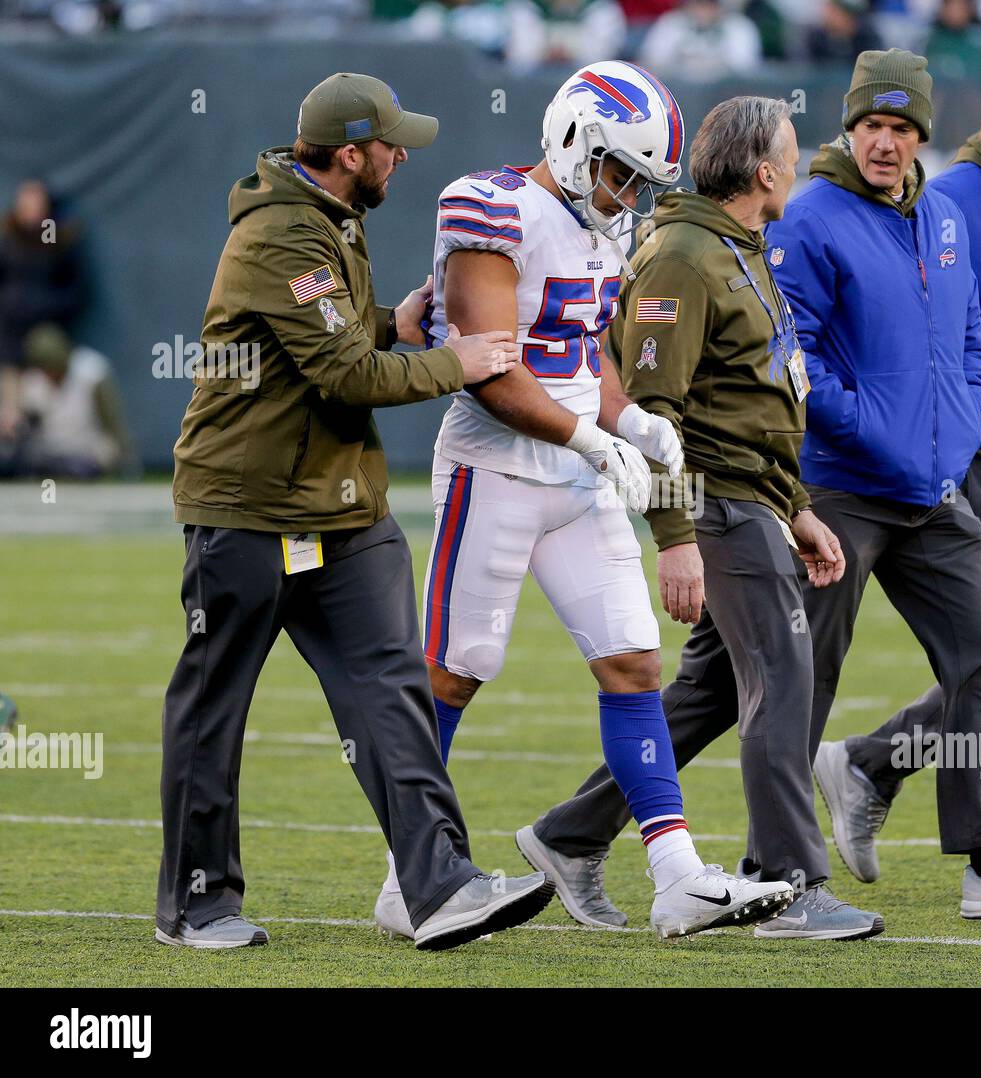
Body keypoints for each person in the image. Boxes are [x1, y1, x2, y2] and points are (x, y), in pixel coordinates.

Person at [372, 63, 794, 943]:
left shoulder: (602, 228)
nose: (629, 194)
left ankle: (677, 876)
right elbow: (489, 362)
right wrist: (591, 438)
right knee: (455, 670)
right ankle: (411, 876)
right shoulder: (490, 207)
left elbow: (578, 352)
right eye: (622, 172)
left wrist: (630, 418)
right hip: (496, 469)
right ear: (572, 140)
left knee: (634, 660)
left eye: (643, 181)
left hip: (573, 477)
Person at [157, 72, 549, 952]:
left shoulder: (330, 218)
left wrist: (388, 324)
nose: (403, 154)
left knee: (393, 694)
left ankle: (441, 886)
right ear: (346, 155)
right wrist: (463, 359)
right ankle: (197, 904)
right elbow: (341, 377)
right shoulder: (281, 233)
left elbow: (332, 339)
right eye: (390, 143)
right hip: (247, 508)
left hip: (341, 507)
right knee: (213, 708)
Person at [524, 95, 886, 942]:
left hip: (754, 499)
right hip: (716, 505)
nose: (800, 163)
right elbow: (655, 416)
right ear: (764, 171)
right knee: (784, 680)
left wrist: (796, 508)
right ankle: (787, 882)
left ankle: (568, 836)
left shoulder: (739, 246)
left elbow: (756, 397)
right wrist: (679, 541)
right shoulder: (684, 256)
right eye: (792, 152)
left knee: (713, 692)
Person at [767, 48, 981, 919]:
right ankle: (773, 868)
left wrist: (953, 427)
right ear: (850, 126)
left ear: (923, 133)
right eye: (873, 126)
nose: (887, 144)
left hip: (938, 484)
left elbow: (967, 336)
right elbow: (789, 355)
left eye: (903, 128)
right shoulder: (819, 215)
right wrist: (880, 426)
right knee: (795, 675)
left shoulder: (935, 214)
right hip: (843, 487)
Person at [0, 178, 86, 444]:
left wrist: (41, 305)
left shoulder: (60, 245)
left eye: (36, 201)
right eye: (25, 200)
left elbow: (78, 293)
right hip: (10, 344)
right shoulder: (6, 243)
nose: (30, 207)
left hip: (47, 343)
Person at [3, 323, 134, 478]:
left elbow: (112, 421)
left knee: (91, 462)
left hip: (88, 451)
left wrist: (127, 459)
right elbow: (27, 427)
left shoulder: (91, 373)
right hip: (48, 454)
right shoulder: (33, 380)